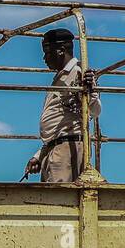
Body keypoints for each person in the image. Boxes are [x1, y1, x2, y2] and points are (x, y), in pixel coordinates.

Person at [24, 28, 101, 183]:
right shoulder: (60, 77)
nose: (44, 58)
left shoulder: (77, 72)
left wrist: (90, 90)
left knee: (60, 196)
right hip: (55, 148)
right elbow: (60, 123)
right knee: (50, 196)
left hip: (67, 149)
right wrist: (39, 155)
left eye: (47, 52)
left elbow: (94, 110)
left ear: (60, 50)